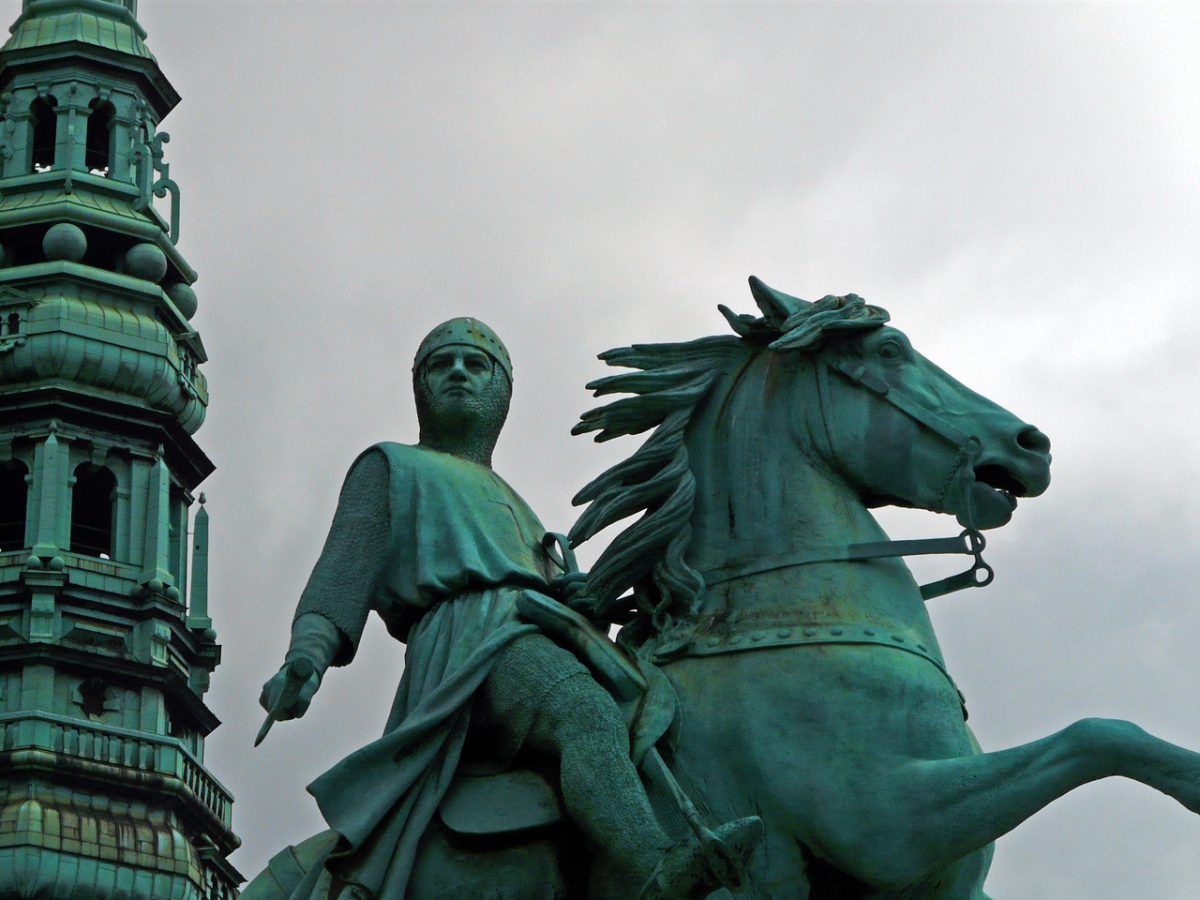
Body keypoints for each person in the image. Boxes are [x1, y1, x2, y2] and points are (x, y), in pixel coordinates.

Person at [258, 318, 757, 899]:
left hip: (543, 631)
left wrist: (574, 595)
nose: (458, 374)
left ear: (503, 392)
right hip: (473, 639)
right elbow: (339, 578)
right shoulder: (392, 466)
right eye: (440, 365)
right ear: (418, 388)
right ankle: (658, 869)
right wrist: (306, 658)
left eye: (476, 364)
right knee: (586, 712)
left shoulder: (521, 504)